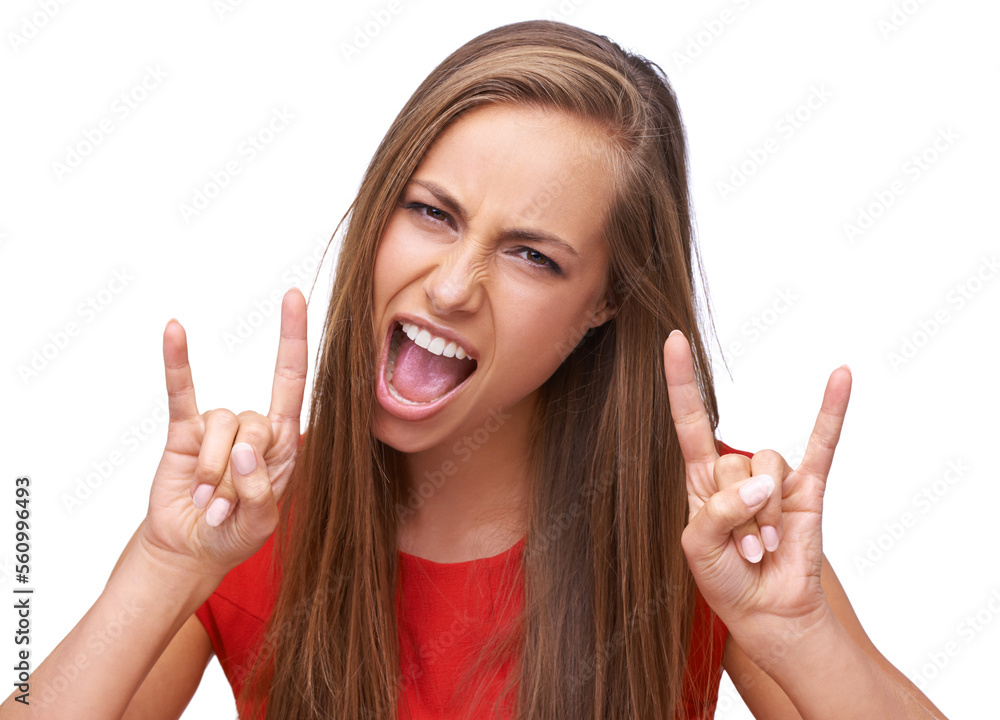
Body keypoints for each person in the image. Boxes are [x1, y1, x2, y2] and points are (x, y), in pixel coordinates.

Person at [2, 20, 949, 720]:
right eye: (433, 213)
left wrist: (803, 635)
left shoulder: (712, 528)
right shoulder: (246, 516)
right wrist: (163, 566)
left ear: (605, 303)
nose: (452, 287)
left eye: (533, 256)